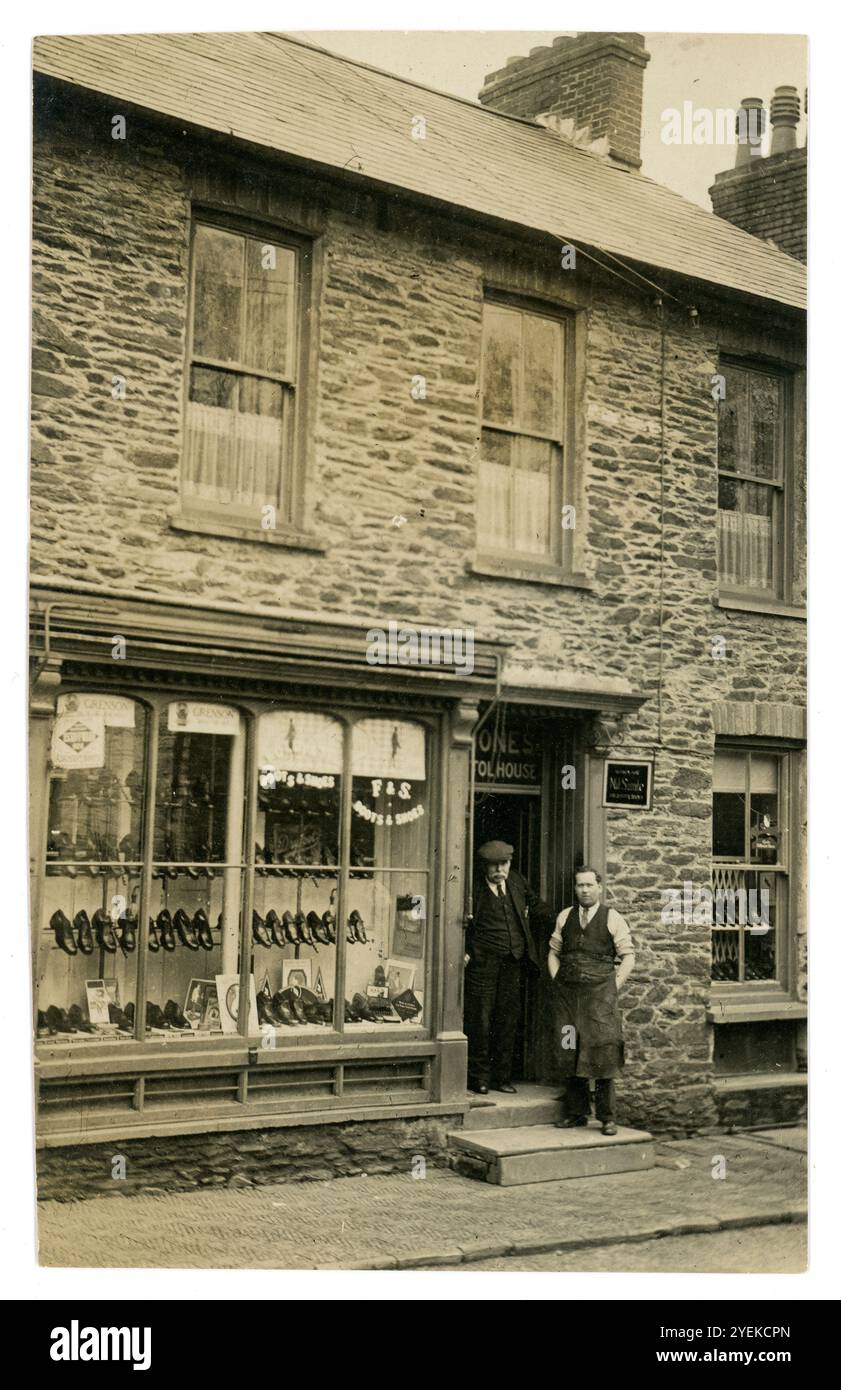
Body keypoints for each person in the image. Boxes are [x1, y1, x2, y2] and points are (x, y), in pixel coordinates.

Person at [548, 866, 634, 1135]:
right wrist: (556, 978)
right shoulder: (565, 917)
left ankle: (608, 1118)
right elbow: (553, 952)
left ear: (599, 887)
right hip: (568, 999)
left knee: (604, 1051)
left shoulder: (612, 918)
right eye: (579, 885)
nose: (584, 890)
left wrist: (612, 987)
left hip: (600, 1000)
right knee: (569, 1047)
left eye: (588, 885)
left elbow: (628, 957)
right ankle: (577, 1114)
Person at [464, 840, 553, 1096]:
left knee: (507, 1020)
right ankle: (479, 1077)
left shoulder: (516, 882)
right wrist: (466, 952)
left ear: (509, 864)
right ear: (484, 866)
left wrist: (563, 919)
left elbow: (536, 906)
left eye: (503, 864)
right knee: (480, 1021)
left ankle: (501, 1077)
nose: (498, 870)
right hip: (483, 963)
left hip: (513, 962)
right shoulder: (473, 888)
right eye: (493, 866)